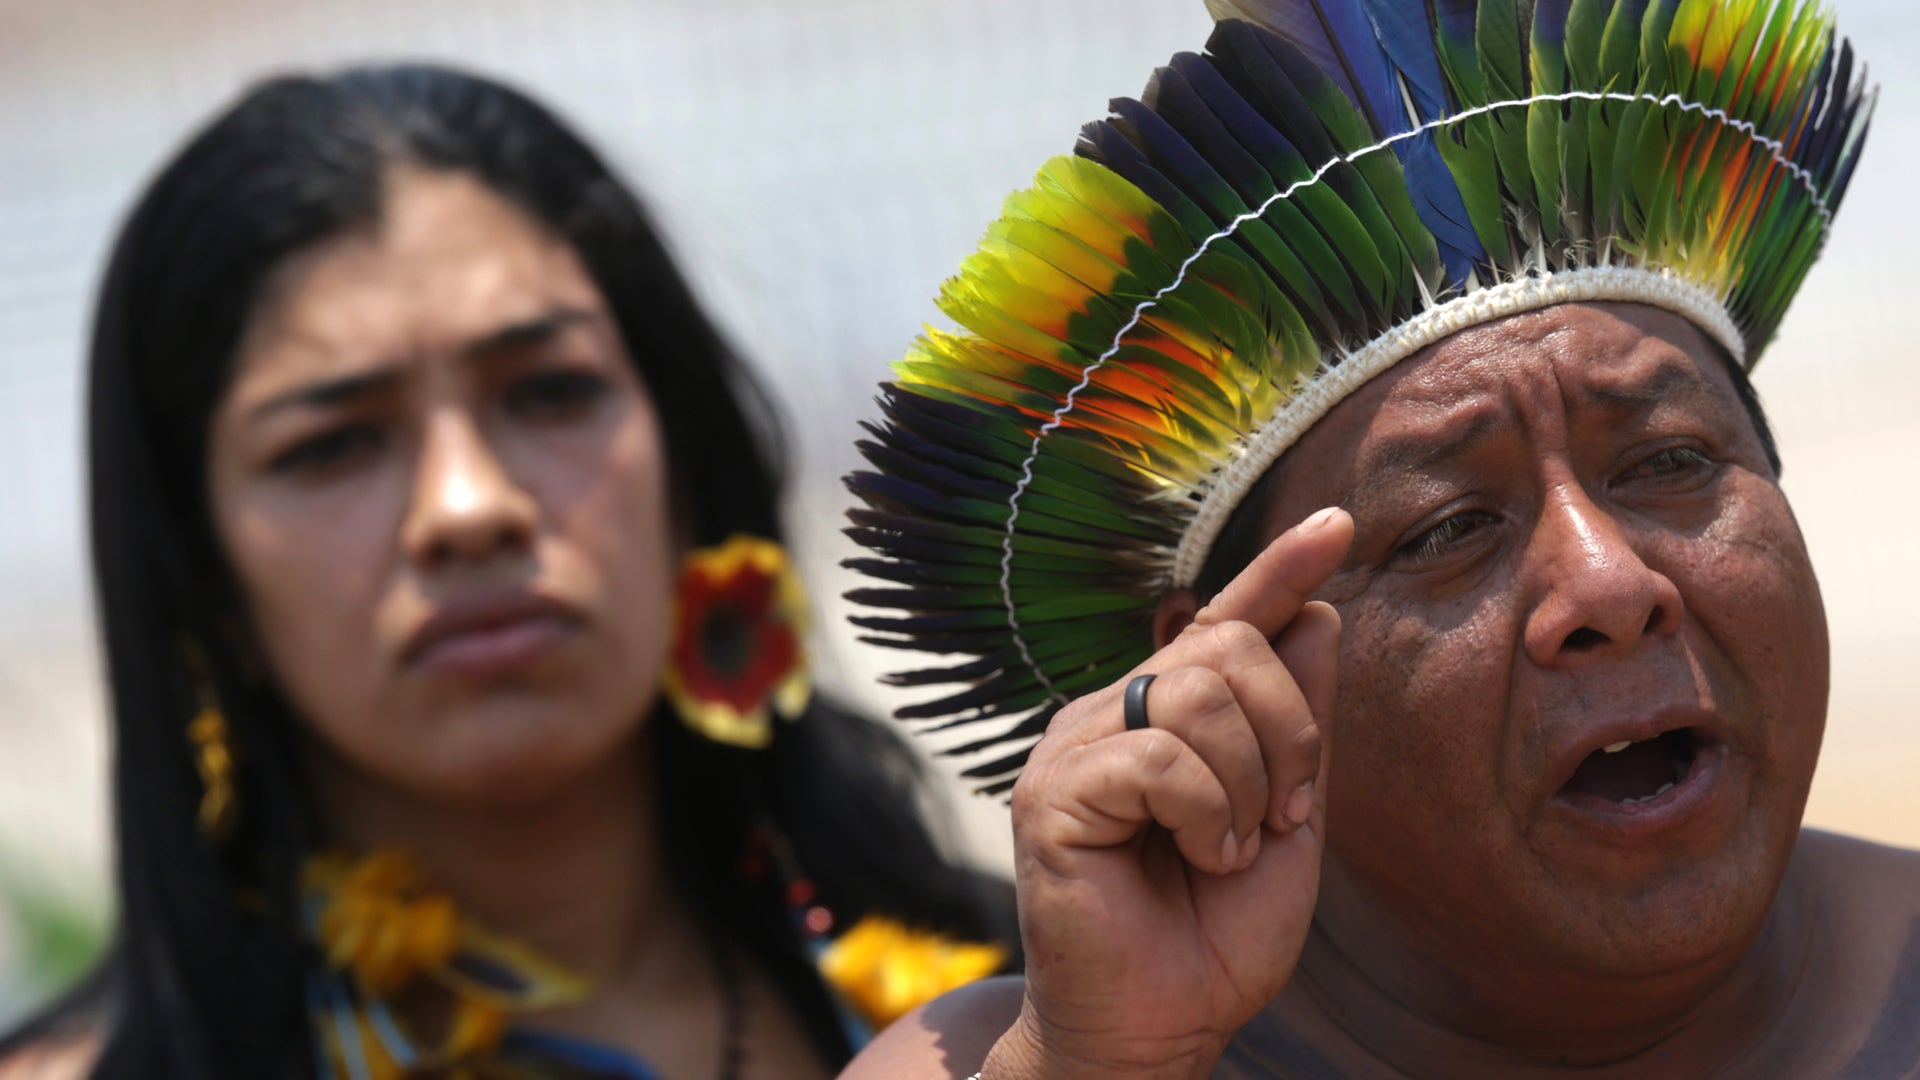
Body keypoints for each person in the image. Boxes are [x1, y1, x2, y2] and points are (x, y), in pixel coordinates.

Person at [839, 0, 1918, 1075]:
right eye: (1450, 528)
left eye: (1671, 463)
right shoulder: (1019, 1060)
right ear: (1227, 671)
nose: (1606, 583)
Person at [0, 63, 1013, 1080]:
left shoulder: (1043, 1011)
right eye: (332, 445)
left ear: (688, 476)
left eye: (551, 391)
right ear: (209, 582)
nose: (467, 506)